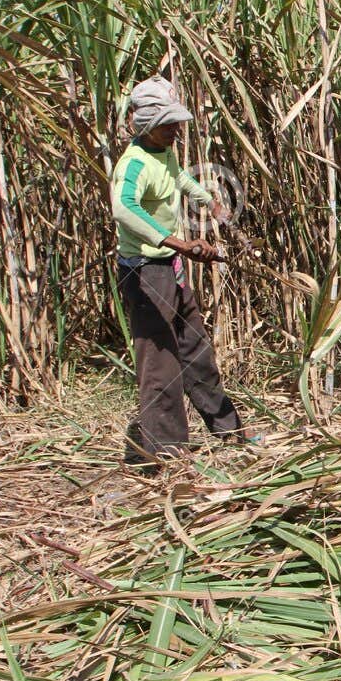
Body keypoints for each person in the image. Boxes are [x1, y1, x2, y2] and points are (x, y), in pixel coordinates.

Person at [110, 76, 250, 467]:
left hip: (168, 267)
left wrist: (210, 203)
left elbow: (178, 177)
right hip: (144, 270)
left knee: (195, 348)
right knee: (160, 361)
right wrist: (178, 243)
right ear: (147, 123)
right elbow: (123, 208)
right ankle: (166, 454)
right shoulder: (134, 163)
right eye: (169, 123)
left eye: (177, 122)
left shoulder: (164, 152)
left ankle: (229, 429)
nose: (177, 130)